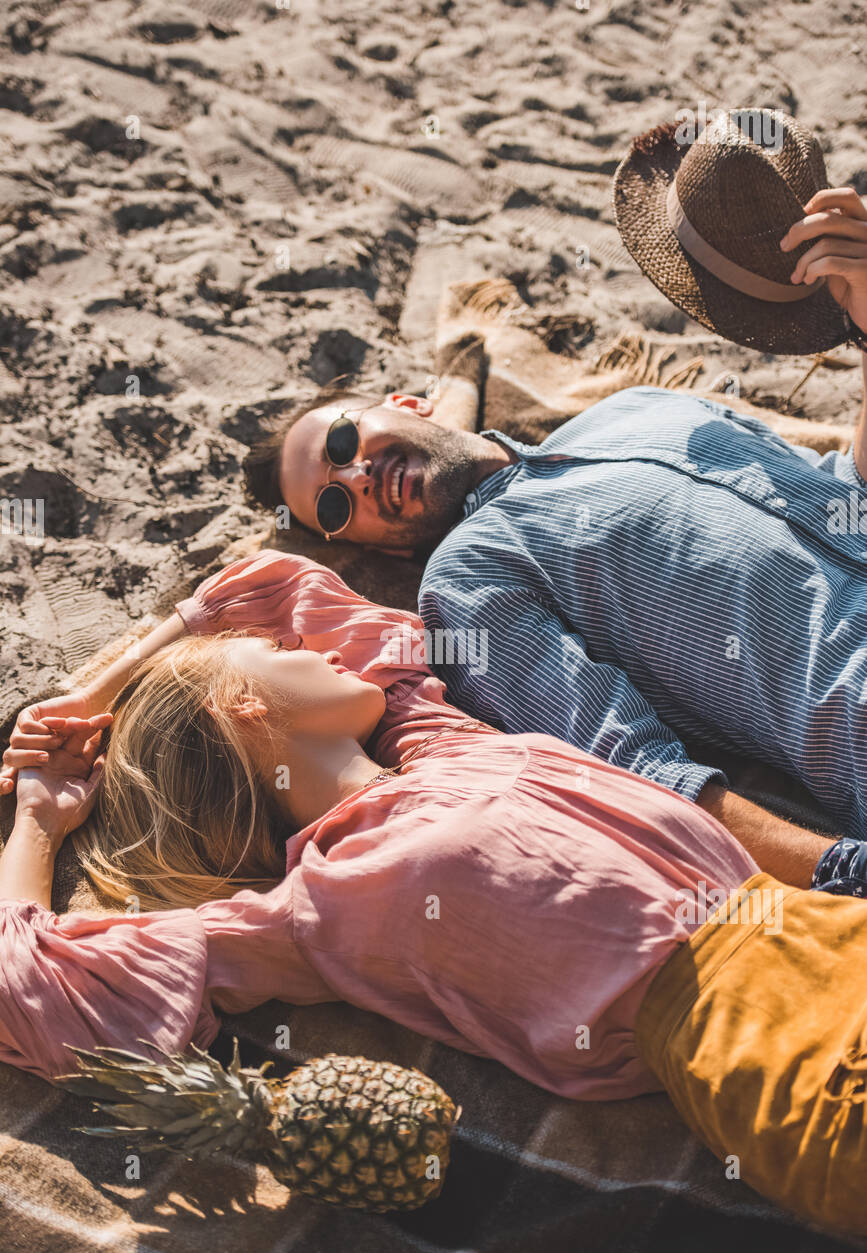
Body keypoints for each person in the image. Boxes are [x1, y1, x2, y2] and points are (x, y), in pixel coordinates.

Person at [1, 548, 865, 1238]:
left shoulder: (440, 741)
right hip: (783, 1051)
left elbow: (270, 580)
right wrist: (39, 817)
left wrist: (91, 695)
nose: (306, 645)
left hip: (835, 931)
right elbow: (28, 981)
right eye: (278, 655)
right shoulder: (325, 900)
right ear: (241, 707)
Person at [176, 127, 867, 874]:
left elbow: (842, 487)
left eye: (343, 446)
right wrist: (837, 868)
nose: (355, 478)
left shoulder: (636, 408)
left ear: (401, 403)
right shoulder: (470, 583)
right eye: (334, 507)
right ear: (371, 544)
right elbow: (641, 775)